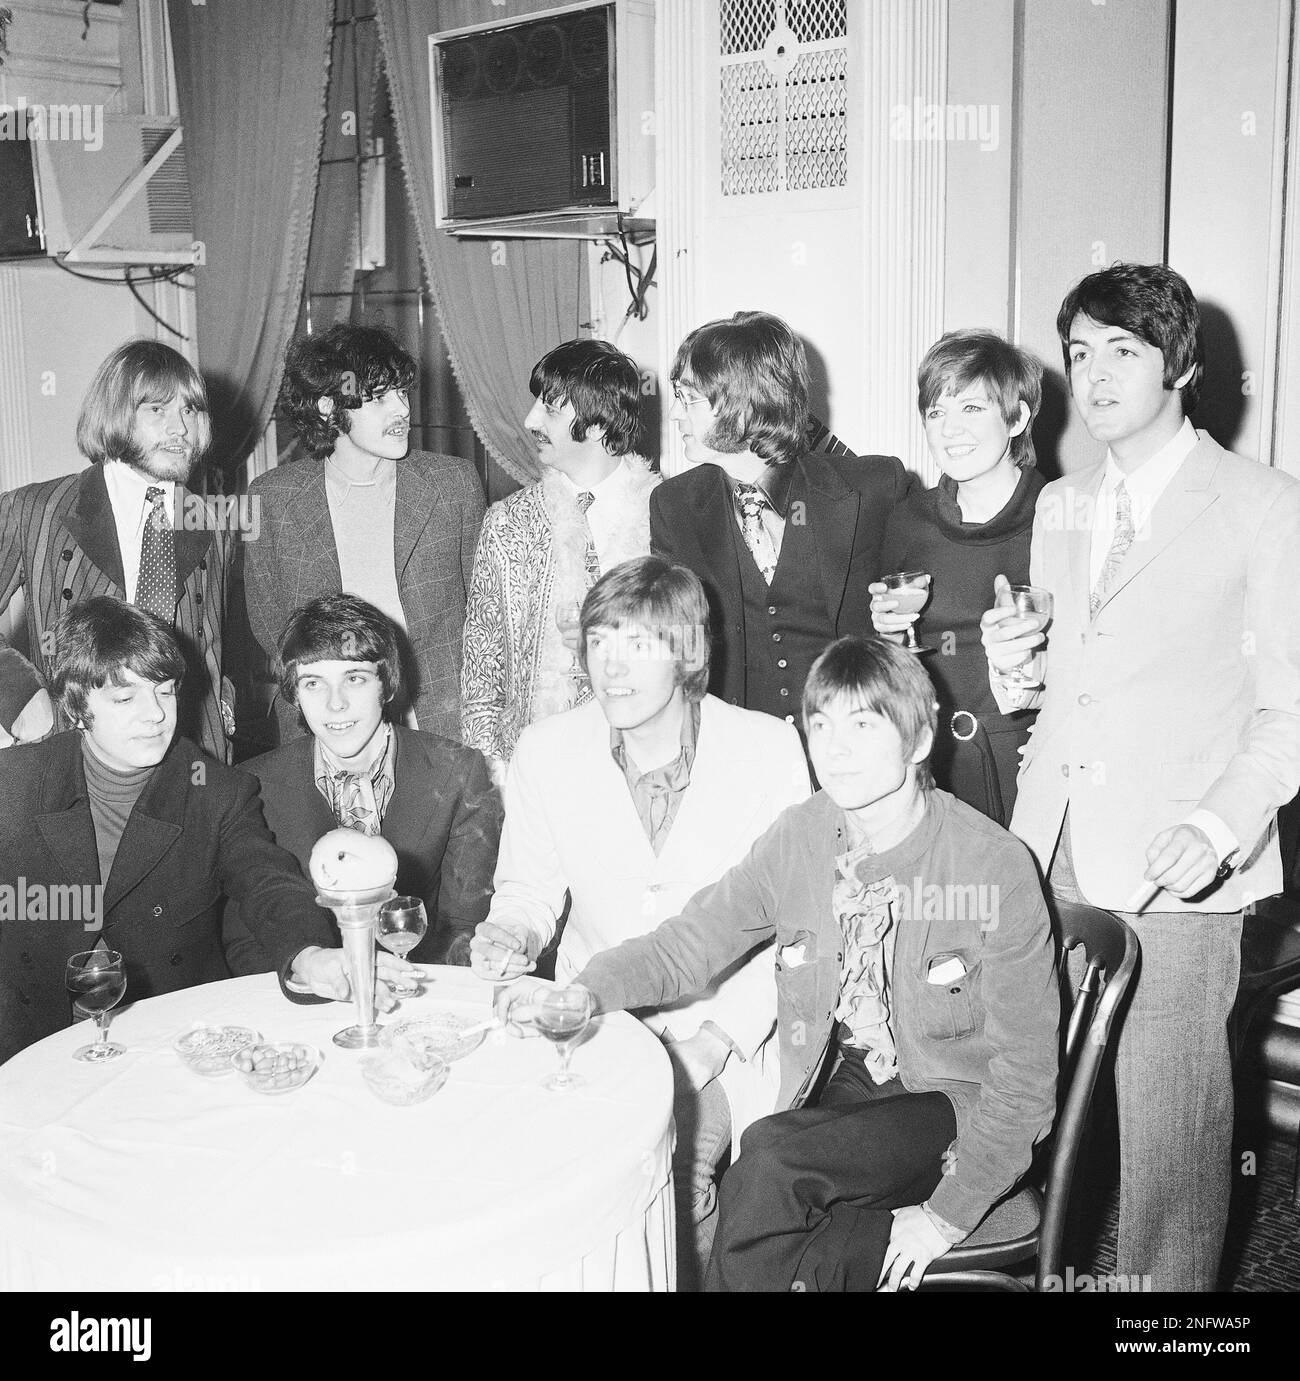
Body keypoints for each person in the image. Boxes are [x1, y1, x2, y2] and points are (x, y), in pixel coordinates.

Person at [485, 636, 1059, 1292]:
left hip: (950, 1102)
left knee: (766, 1162)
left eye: (863, 724)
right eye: (821, 725)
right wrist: (587, 994)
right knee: (786, 1220)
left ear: (920, 738)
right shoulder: (802, 836)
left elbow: (1026, 1081)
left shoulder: (993, 865)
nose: (835, 749)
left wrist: (946, 1217)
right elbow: (687, 944)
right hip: (837, 1084)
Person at [981, 262, 1300, 1291]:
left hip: (1180, 870)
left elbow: (1287, 712)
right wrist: (1010, 665)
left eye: (1124, 347)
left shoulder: (1263, 508)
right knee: (1036, 1101)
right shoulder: (1062, 505)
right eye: (1081, 351)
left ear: (1182, 362)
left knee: (1170, 1139)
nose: (1097, 371)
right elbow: (1056, 688)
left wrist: (1215, 830)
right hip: (1054, 843)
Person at [469, 557, 810, 1287]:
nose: (611, 668)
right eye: (599, 642)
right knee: (522, 1176)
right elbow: (527, 892)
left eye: (639, 644)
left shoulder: (769, 751)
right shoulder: (546, 751)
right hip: (589, 1024)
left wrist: (715, 1044)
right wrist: (511, 935)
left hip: (728, 1035)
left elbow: (798, 936)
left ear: (688, 652)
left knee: (668, 1182)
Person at [0, 598, 413, 1065]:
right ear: (78, 705)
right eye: (124, 697)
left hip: (169, 1043)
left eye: (164, 691)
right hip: (31, 1042)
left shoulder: (213, 790)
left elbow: (268, 883)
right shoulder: (13, 785)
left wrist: (310, 956)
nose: (154, 714)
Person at [651, 310, 913, 731]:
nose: (675, 415)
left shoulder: (873, 488)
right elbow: (672, 648)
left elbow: (927, 621)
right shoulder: (673, 506)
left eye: (689, 398)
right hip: (741, 758)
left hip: (855, 750)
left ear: (745, 403)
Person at [223, 593, 501, 975]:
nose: (335, 704)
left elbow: (463, 929)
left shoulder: (459, 772)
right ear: (294, 694)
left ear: (386, 686)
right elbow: (245, 942)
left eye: (354, 679)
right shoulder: (252, 786)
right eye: (313, 684)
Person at [245, 324, 485, 743]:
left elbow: (485, 617)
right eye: (378, 398)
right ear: (327, 407)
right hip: (326, 729)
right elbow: (270, 625)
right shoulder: (271, 500)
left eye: (402, 393)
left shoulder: (453, 485)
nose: (402, 411)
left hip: (441, 726)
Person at [0, 339, 236, 761]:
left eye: (189, 410)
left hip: (186, 758)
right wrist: (22, 700)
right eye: (157, 410)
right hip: (73, 752)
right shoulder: (33, 510)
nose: (180, 429)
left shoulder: (210, 520)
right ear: (117, 413)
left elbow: (213, 649)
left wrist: (219, 742)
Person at [461, 338, 658, 780]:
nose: (531, 419)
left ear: (596, 423)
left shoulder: (667, 517)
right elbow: (481, 664)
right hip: (533, 775)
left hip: (639, 773)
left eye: (549, 408)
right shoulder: (507, 523)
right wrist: (495, 777)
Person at [870, 330, 1045, 824]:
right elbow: (895, 660)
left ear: (1017, 417)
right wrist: (888, 633)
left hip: (1030, 767)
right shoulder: (908, 518)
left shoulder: (1060, 516)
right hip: (928, 763)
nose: (950, 430)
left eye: (971, 409)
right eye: (936, 412)